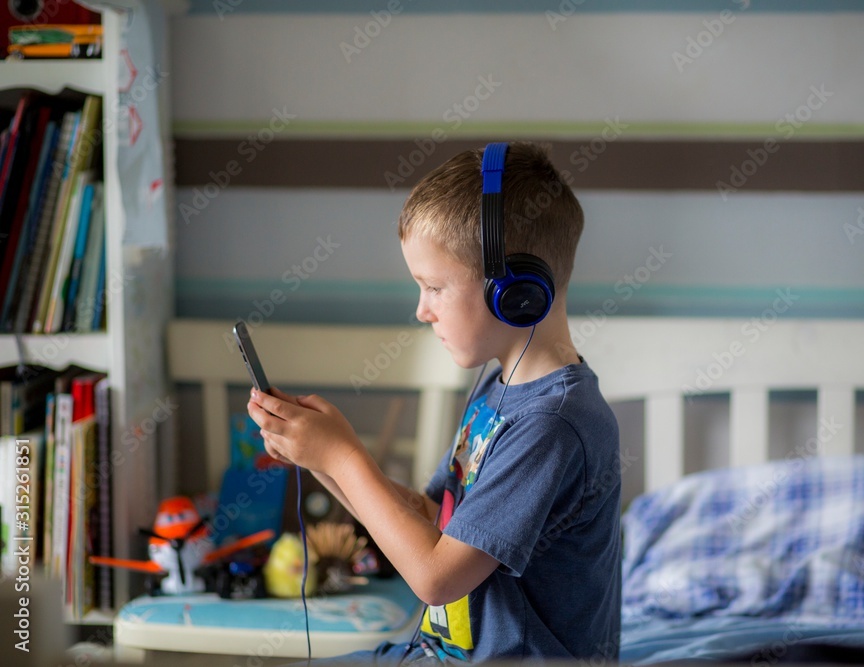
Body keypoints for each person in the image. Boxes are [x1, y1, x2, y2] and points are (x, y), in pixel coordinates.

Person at [247, 141, 621, 664]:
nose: (422, 310)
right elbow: (431, 520)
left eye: (434, 287)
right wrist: (317, 459)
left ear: (514, 292)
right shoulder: (499, 389)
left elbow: (435, 577)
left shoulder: (553, 425)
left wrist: (343, 456)